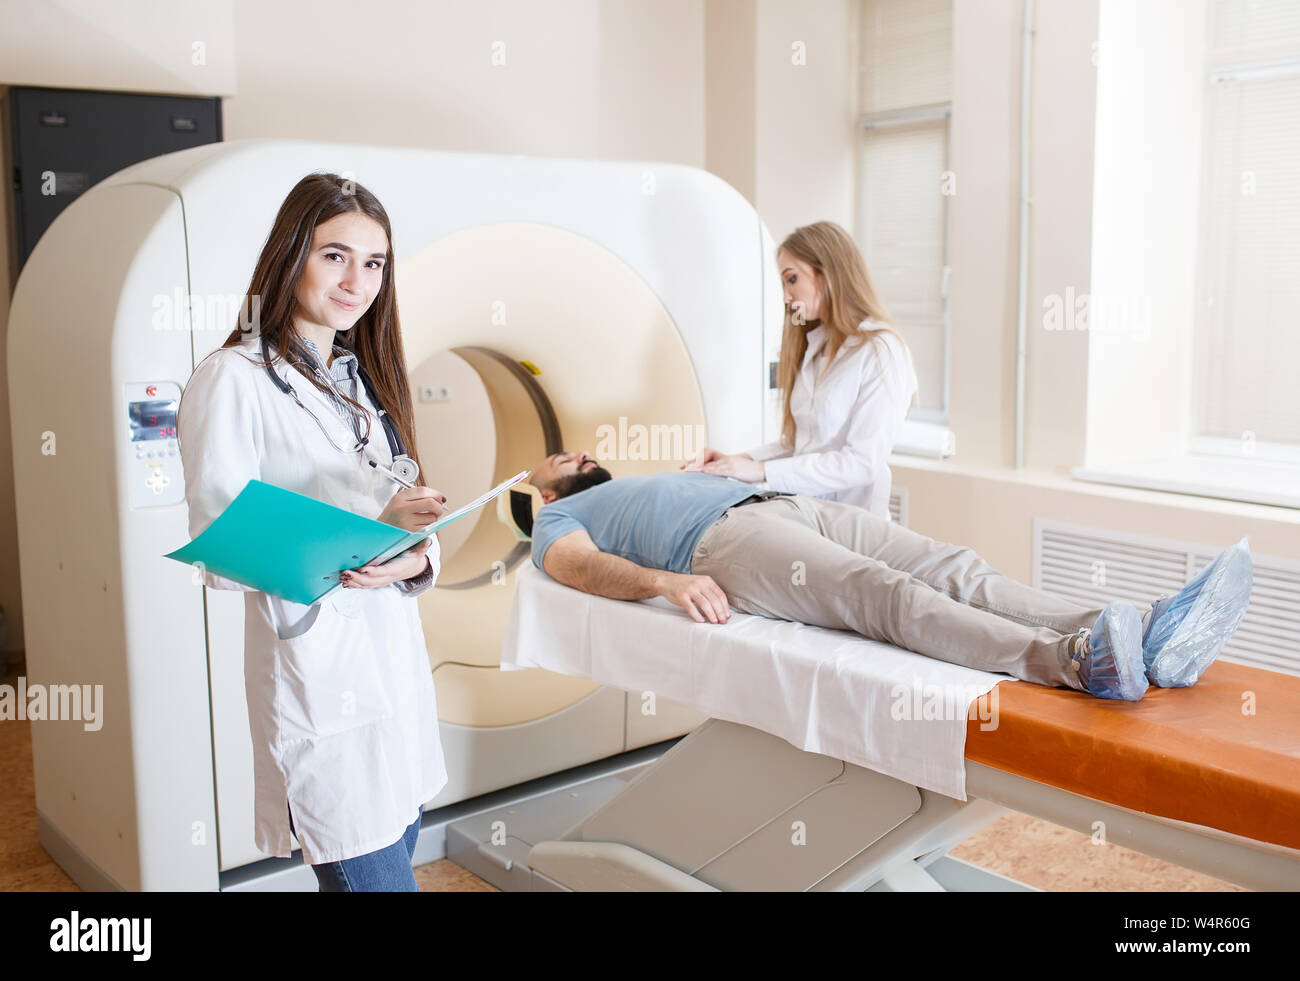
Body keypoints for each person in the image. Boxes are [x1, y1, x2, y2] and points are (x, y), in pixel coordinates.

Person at [177, 173, 449, 891]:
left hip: (391, 670)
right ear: (292, 253)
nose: (356, 280)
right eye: (335, 255)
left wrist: (416, 556)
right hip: (320, 682)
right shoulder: (232, 378)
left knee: (396, 840)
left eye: (374, 263)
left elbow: (400, 507)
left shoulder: (360, 382)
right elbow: (224, 541)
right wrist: (368, 534)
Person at [526, 452, 1254, 701]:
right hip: (722, 545)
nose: (579, 453)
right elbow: (578, 567)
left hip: (785, 507)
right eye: (560, 459)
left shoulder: (637, 479)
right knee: (889, 594)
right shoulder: (557, 521)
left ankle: (1140, 632)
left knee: (951, 565)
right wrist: (664, 583)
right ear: (547, 494)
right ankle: (1070, 664)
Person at [684, 221, 918, 519]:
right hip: (808, 515)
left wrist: (761, 470)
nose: (785, 295)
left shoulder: (881, 349)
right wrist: (739, 460)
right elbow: (804, 444)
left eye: (792, 279)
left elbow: (863, 462)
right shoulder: (817, 348)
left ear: (828, 273)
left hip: (855, 525)